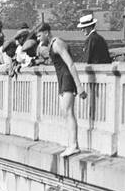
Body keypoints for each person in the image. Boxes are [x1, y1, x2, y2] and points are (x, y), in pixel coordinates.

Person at [36, 21, 89, 157]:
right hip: (62, 79)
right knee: (65, 112)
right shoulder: (51, 44)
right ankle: (71, 143)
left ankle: (74, 145)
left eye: (39, 35)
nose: (38, 39)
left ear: (46, 33)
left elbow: (70, 64)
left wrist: (79, 86)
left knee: (68, 111)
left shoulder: (57, 43)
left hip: (67, 79)